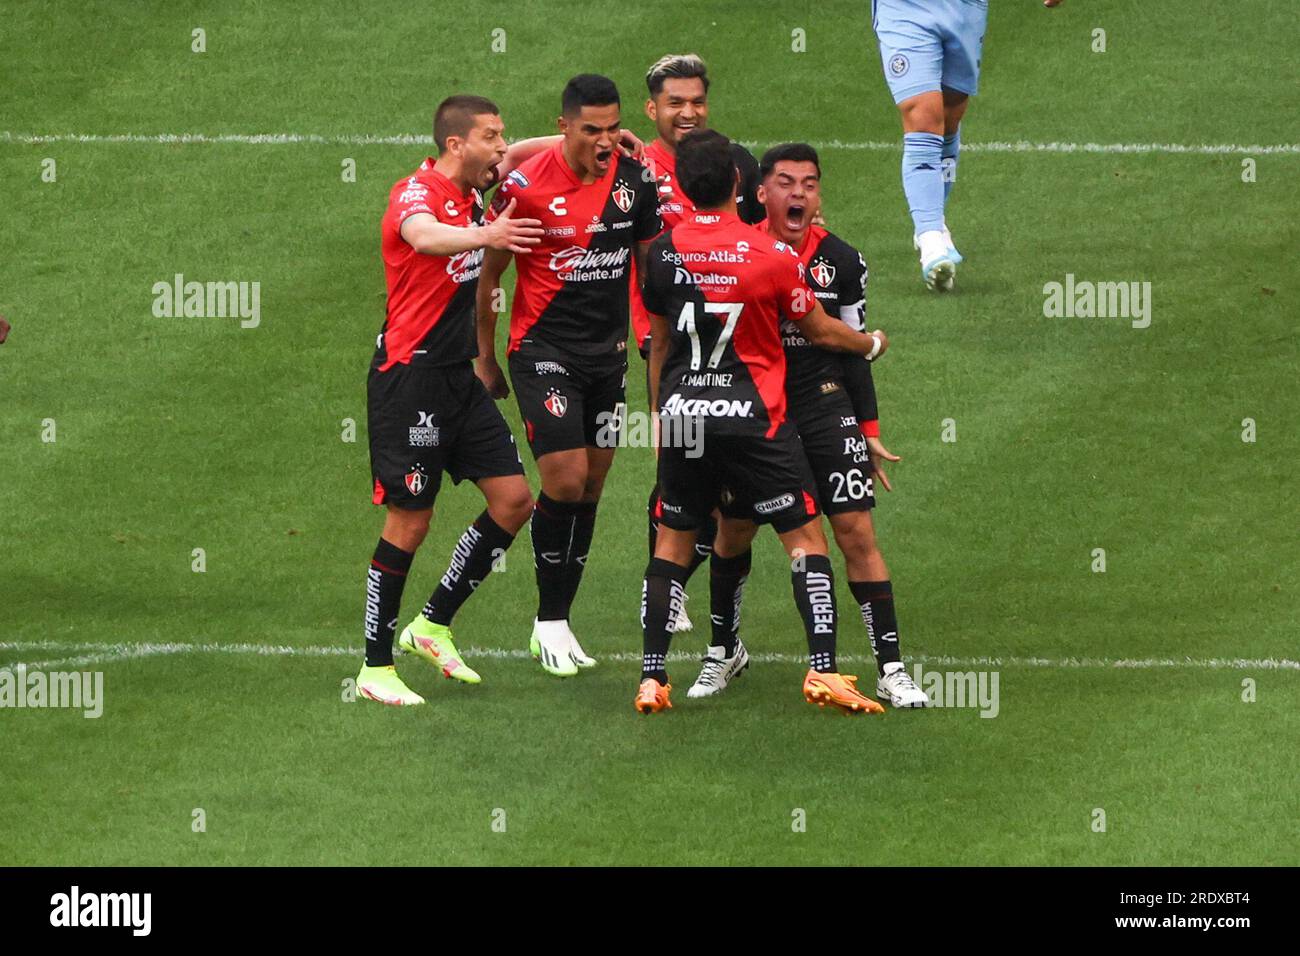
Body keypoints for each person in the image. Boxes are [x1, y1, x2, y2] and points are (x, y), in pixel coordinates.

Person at [637, 128, 890, 716]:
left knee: (674, 544)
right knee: (805, 540)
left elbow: (659, 341)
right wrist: (871, 344)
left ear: (681, 184)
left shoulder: (664, 253)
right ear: (738, 185)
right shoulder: (771, 256)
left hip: (684, 417)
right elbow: (822, 330)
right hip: (754, 419)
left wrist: (659, 417)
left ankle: (652, 677)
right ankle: (824, 671)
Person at [688, 143, 929, 708]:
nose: (798, 194)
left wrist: (867, 428)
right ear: (761, 192)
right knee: (735, 531)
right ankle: (723, 651)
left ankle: (891, 668)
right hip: (754, 411)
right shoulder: (737, 250)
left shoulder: (841, 261)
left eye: (810, 185)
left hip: (823, 408)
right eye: (786, 183)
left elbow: (854, 353)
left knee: (857, 534)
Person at [356, 95, 546, 706]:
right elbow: (424, 237)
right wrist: (488, 232)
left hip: (456, 380)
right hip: (408, 380)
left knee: (515, 500)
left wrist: (602, 142)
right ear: (456, 144)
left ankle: (432, 624)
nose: (500, 145)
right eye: (490, 136)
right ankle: (374, 667)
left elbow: (520, 155)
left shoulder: (474, 186)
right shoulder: (416, 194)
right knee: (411, 520)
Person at [476, 75, 662, 676]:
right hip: (542, 351)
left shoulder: (633, 180)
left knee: (591, 488)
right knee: (564, 478)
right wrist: (484, 356)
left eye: (612, 128)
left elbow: (651, 266)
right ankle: (547, 621)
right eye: (591, 130)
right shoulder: (525, 189)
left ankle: (561, 618)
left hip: (605, 358)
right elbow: (488, 277)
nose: (605, 141)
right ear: (564, 127)